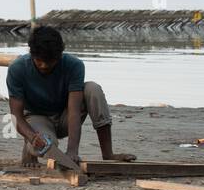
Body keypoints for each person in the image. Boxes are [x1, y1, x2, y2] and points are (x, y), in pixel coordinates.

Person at [7, 25, 135, 166]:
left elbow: (74, 111)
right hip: (37, 118)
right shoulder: (17, 69)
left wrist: (72, 151)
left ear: (60, 55)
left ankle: (108, 154)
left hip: (64, 117)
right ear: (31, 53)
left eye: (49, 62)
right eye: (39, 61)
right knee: (48, 144)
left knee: (93, 88)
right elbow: (16, 117)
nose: (44, 66)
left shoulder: (74, 65)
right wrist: (32, 137)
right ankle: (30, 149)